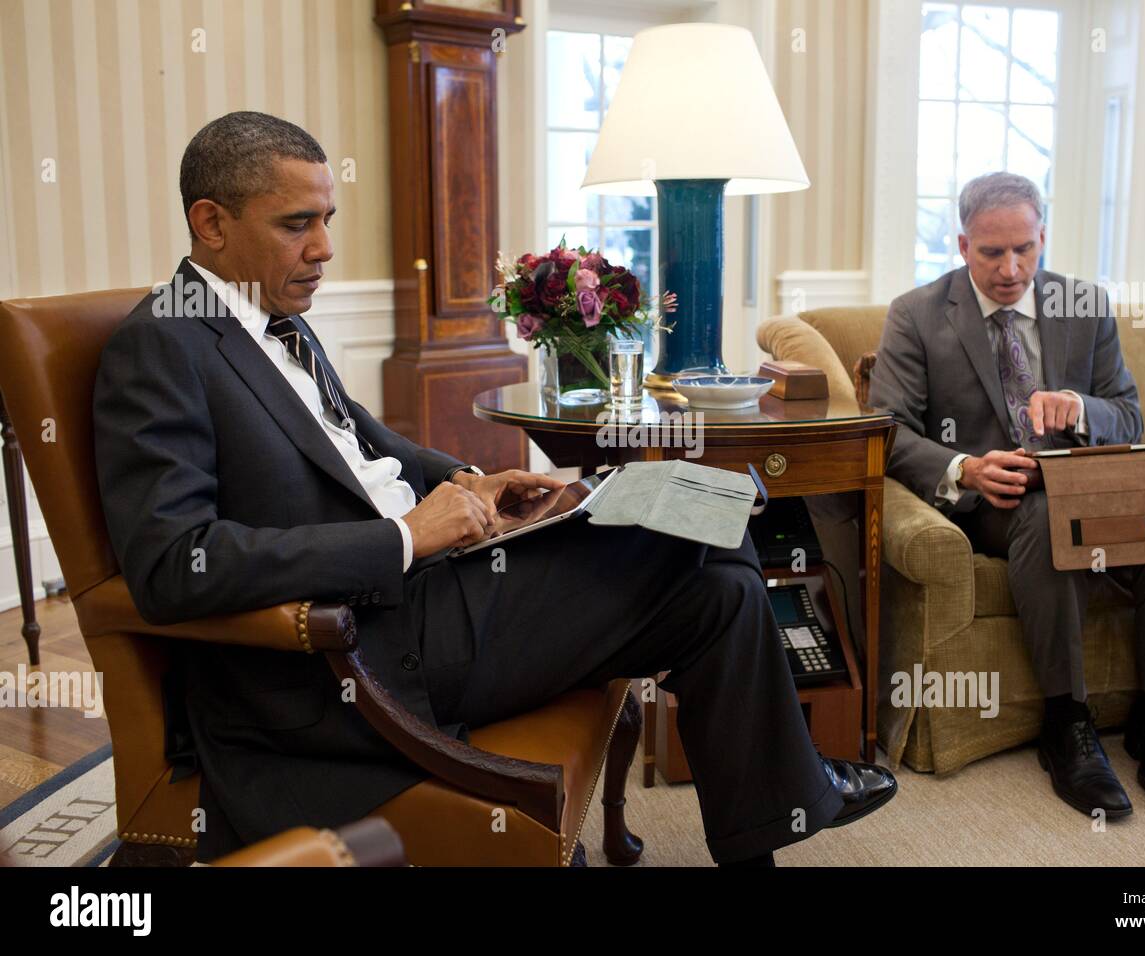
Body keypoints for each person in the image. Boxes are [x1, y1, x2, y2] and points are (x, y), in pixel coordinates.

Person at [92, 110, 896, 865]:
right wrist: (409, 537)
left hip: (428, 592)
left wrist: (478, 483)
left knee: (714, 567)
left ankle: (762, 835)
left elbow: (368, 447)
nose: (325, 247)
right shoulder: (161, 346)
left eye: (327, 218)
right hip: (351, 646)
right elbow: (172, 564)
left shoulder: (273, 319)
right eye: (297, 224)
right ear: (210, 223)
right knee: (695, 550)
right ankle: (795, 794)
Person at [868, 171, 1145, 817]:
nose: (1010, 267)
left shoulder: (1084, 304)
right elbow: (888, 431)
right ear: (963, 244)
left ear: (1042, 237)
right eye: (992, 252)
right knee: (1048, 517)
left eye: (1025, 248)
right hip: (997, 501)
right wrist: (963, 467)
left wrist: (1081, 407)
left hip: (1087, 482)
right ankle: (1066, 722)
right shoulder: (916, 314)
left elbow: (1128, 414)